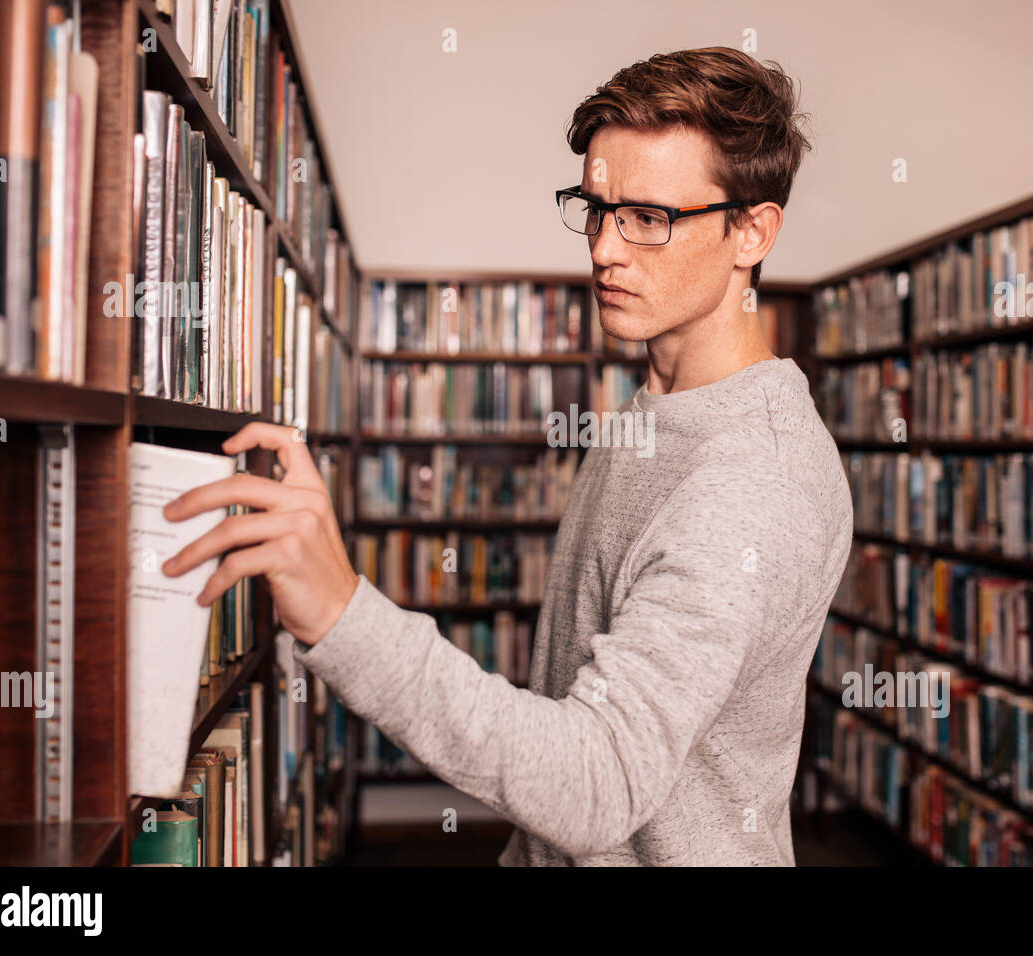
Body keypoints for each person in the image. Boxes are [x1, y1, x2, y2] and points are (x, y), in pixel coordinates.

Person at [162, 46, 853, 865]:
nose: (604, 249)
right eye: (595, 208)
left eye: (649, 218)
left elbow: (598, 783)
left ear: (752, 231)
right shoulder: (655, 412)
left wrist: (343, 613)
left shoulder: (753, 483)